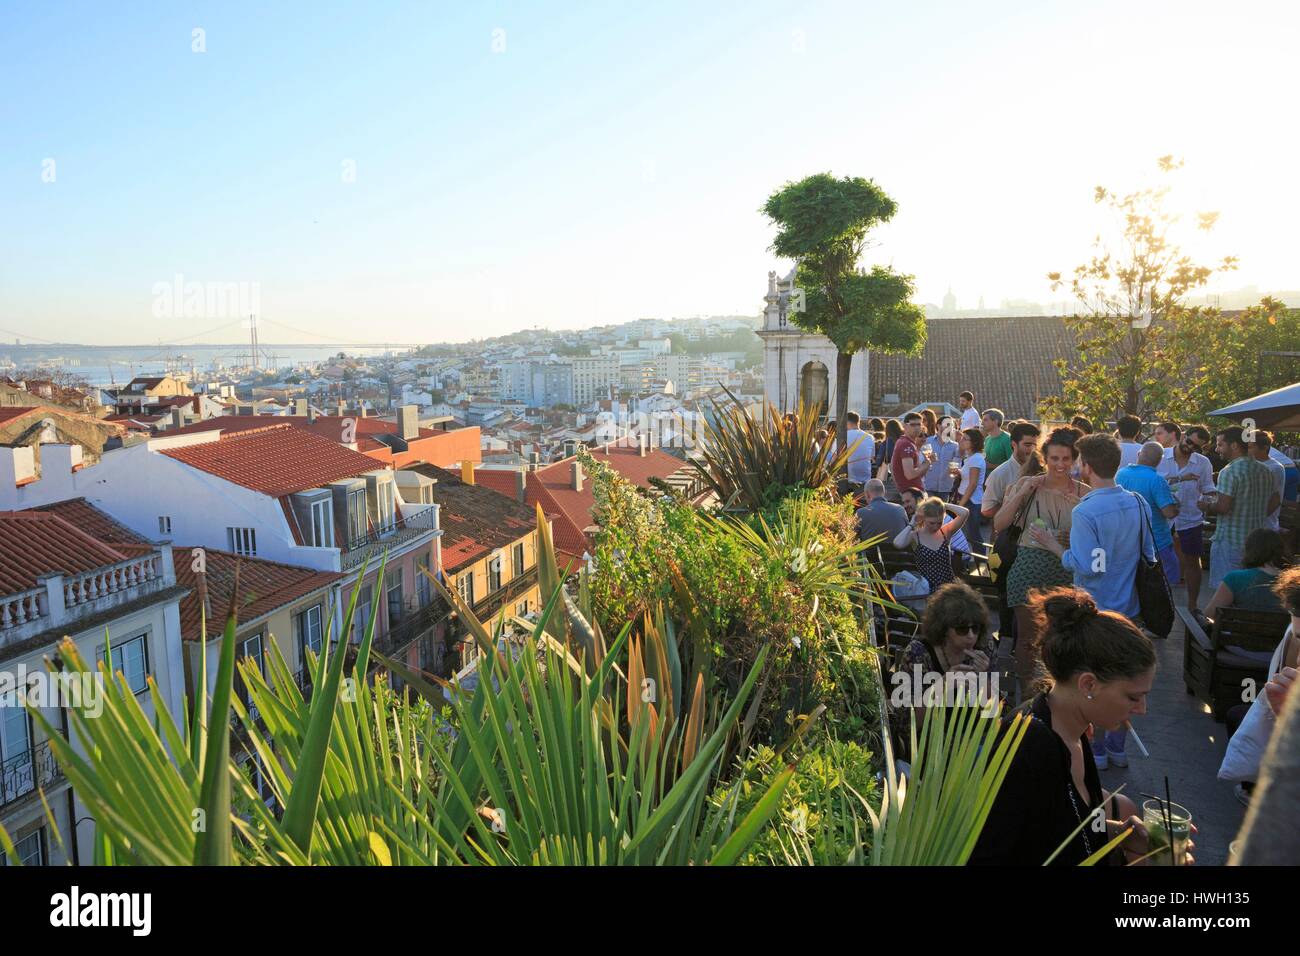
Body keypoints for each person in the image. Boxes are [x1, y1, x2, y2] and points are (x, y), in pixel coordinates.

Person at [970, 588, 1168, 866]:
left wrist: (1121, 834)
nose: (1141, 709)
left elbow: (1071, 823)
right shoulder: (1031, 747)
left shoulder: (1071, 729)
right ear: (1088, 684)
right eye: (1133, 697)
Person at [1029, 433, 1154, 769]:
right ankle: (1117, 747)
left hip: (1098, 607)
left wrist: (1053, 545)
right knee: (1124, 679)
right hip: (1131, 606)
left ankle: (1096, 749)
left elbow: (1087, 567)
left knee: (1095, 684)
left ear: (1086, 466)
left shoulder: (1087, 511)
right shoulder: (1138, 502)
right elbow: (1148, 554)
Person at [994, 427, 1089, 699]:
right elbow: (1000, 524)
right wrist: (1022, 493)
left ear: (1074, 460)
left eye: (1066, 459)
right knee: (1027, 639)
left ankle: (1056, 695)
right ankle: (1026, 699)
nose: (1060, 465)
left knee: (1060, 639)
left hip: (1065, 571)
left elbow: (1098, 540)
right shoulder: (1027, 486)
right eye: (1055, 459)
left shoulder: (1085, 493)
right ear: (1044, 458)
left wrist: (1077, 532)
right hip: (1028, 569)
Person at [1201, 426, 1280, 594]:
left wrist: (1207, 505)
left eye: (1220, 444)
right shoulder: (1265, 470)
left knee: (1224, 592)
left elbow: (1223, 507)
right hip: (1255, 542)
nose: (1217, 449)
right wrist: (1255, 512)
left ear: (1235, 445)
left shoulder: (1229, 471)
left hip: (1230, 540)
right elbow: (1276, 500)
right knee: (1248, 591)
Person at [897, 582, 992, 718]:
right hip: (929, 735)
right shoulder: (918, 652)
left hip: (973, 735)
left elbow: (992, 711)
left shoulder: (984, 648)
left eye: (975, 628)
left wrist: (984, 678)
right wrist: (942, 686)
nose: (971, 635)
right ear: (944, 629)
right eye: (962, 629)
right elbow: (908, 720)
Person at [1161, 433, 1216, 614]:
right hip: (1162, 518)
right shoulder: (1161, 455)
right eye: (1190, 442)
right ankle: (1158, 604)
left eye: (1197, 447)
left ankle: (1193, 605)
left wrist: (1208, 500)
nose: (1191, 447)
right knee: (1156, 562)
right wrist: (1178, 479)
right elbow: (1153, 482)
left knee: (1193, 560)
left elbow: (1208, 488)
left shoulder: (1203, 463)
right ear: (1183, 436)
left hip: (1190, 517)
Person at [1116, 441, 1181, 587]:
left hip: (1127, 540)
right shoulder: (1157, 480)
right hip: (1157, 542)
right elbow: (1169, 512)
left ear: (1139, 454)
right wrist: (1178, 506)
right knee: (1163, 586)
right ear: (1159, 461)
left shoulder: (1120, 474)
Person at [1203, 529, 1288, 621]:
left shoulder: (1234, 579)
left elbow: (1210, 614)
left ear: (1249, 550)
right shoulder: (1293, 583)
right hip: (1279, 635)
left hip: (1238, 634)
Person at [894, 496, 969, 594]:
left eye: (939, 522)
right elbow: (897, 543)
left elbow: (964, 513)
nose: (936, 526)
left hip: (949, 587)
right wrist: (912, 523)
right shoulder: (916, 535)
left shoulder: (945, 531)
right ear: (923, 518)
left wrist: (942, 505)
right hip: (927, 589)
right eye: (932, 523)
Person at [982, 421, 1042, 519]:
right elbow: (986, 511)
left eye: (1035, 445)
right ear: (1014, 444)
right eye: (1027, 445)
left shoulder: (1043, 469)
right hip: (1010, 531)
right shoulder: (999, 474)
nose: (1032, 450)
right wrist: (1013, 503)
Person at [956, 428, 987, 555]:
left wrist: (961, 504)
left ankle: (980, 562)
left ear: (973, 442)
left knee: (973, 534)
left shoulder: (976, 459)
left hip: (971, 500)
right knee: (967, 533)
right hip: (967, 498)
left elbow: (973, 484)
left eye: (965, 439)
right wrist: (958, 472)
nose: (961, 441)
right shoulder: (971, 457)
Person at [1250, 430, 1286, 532]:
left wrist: (1257, 520)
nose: (1247, 450)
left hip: (1265, 527)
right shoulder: (1252, 464)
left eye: (1251, 447)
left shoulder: (1274, 468)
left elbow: (1275, 500)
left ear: (1265, 448)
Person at [856, 478, 909, 544]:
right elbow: (908, 532)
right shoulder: (900, 509)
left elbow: (852, 536)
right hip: (901, 553)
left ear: (867, 494)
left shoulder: (861, 513)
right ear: (884, 492)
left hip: (872, 553)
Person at [890, 412, 930, 496]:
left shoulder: (906, 442)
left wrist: (927, 463)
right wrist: (926, 464)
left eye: (919, 424)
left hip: (911, 492)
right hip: (912, 494)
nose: (916, 428)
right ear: (904, 426)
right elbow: (910, 474)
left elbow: (918, 474)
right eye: (912, 425)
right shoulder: (906, 444)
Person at [922, 415, 961, 500]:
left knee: (943, 512)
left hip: (945, 488)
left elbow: (957, 466)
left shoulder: (955, 446)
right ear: (938, 426)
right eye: (947, 425)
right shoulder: (927, 441)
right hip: (928, 486)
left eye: (951, 425)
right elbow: (921, 461)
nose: (950, 428)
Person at [842, 411, 875, 486]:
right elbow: (872, 458)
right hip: (866, 479)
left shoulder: (842, 437)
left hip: (847, 480)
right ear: (858, 422)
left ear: (846, 422)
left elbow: (834, 458)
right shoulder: (870, 437)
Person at [981, 408, 1012, 472]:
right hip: (987, 479)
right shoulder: (987, 439)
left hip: (1002, 480)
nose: (982, 423)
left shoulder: (1007, 439)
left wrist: (991, 465)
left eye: (985, 420)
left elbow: (1012, 464)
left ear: (995, 421)